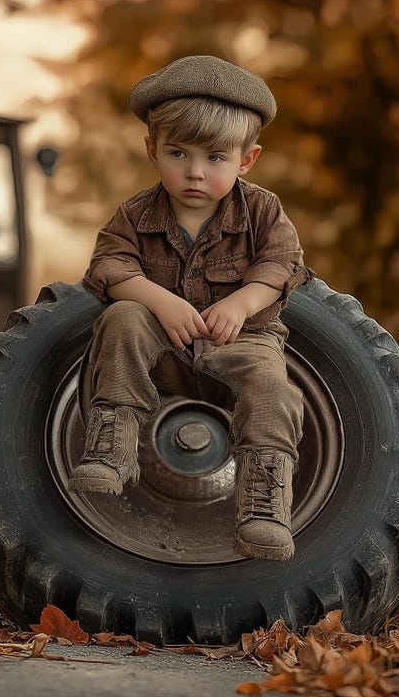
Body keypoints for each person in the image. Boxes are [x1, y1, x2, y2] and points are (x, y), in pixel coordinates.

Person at [73, 55, 313, 561]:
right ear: (151, 150)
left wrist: (244, 302)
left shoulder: (263, 211)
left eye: (216, 158)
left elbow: (283, 263)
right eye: (178, 153)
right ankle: (112, 442)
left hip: (240, 343)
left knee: (273, 384)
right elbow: (108, 265)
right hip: (164, 353)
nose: (195, 172)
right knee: (121, 318)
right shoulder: (136, 214)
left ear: (246, 160)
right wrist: (159, 300)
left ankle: (265, 500)